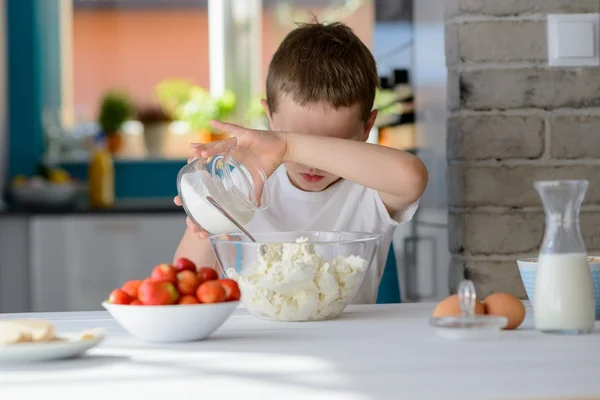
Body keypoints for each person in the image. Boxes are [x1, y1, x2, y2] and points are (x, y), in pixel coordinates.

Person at [173, 21, 428, 304]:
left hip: (349, 345)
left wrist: (290, 144)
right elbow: (186, 281)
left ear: (367, 127)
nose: (313, 165)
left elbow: (411, 177)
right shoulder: (241, 188)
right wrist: (208, 220)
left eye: (331, 145)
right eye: (297, 139)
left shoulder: (370, 189)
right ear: (270, 117)